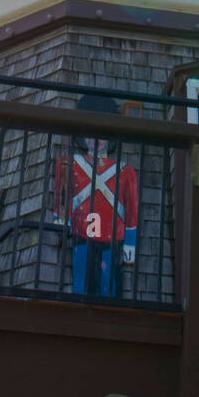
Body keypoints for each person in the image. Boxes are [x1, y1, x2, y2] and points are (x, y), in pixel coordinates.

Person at [54, 94, 138, 297]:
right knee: (82, 288)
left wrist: (130, 243)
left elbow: (131, 211)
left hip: (114, 239)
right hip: (81, 235)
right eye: (91, 133)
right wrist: (60, 221)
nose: (97, 139)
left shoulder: (126, 171)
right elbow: (62, 199)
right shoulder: (67, 165)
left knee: (111, 290)